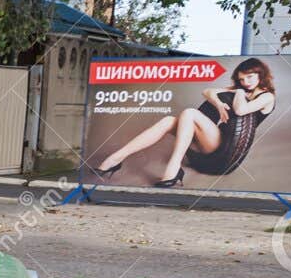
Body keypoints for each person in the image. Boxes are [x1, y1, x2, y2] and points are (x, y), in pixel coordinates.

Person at [92, 58, 277, 187]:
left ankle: (173, 167)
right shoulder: (242, 88)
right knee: (168, 121)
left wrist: (236, 93)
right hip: (209, 144)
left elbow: (241, 110)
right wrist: (219, 103)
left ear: (261, 74)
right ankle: (115, 159)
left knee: (189, 113)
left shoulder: (266, 96)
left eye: (250, 77)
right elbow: (208, 91)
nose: (245, 82)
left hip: (223, 153)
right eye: (242, 79)